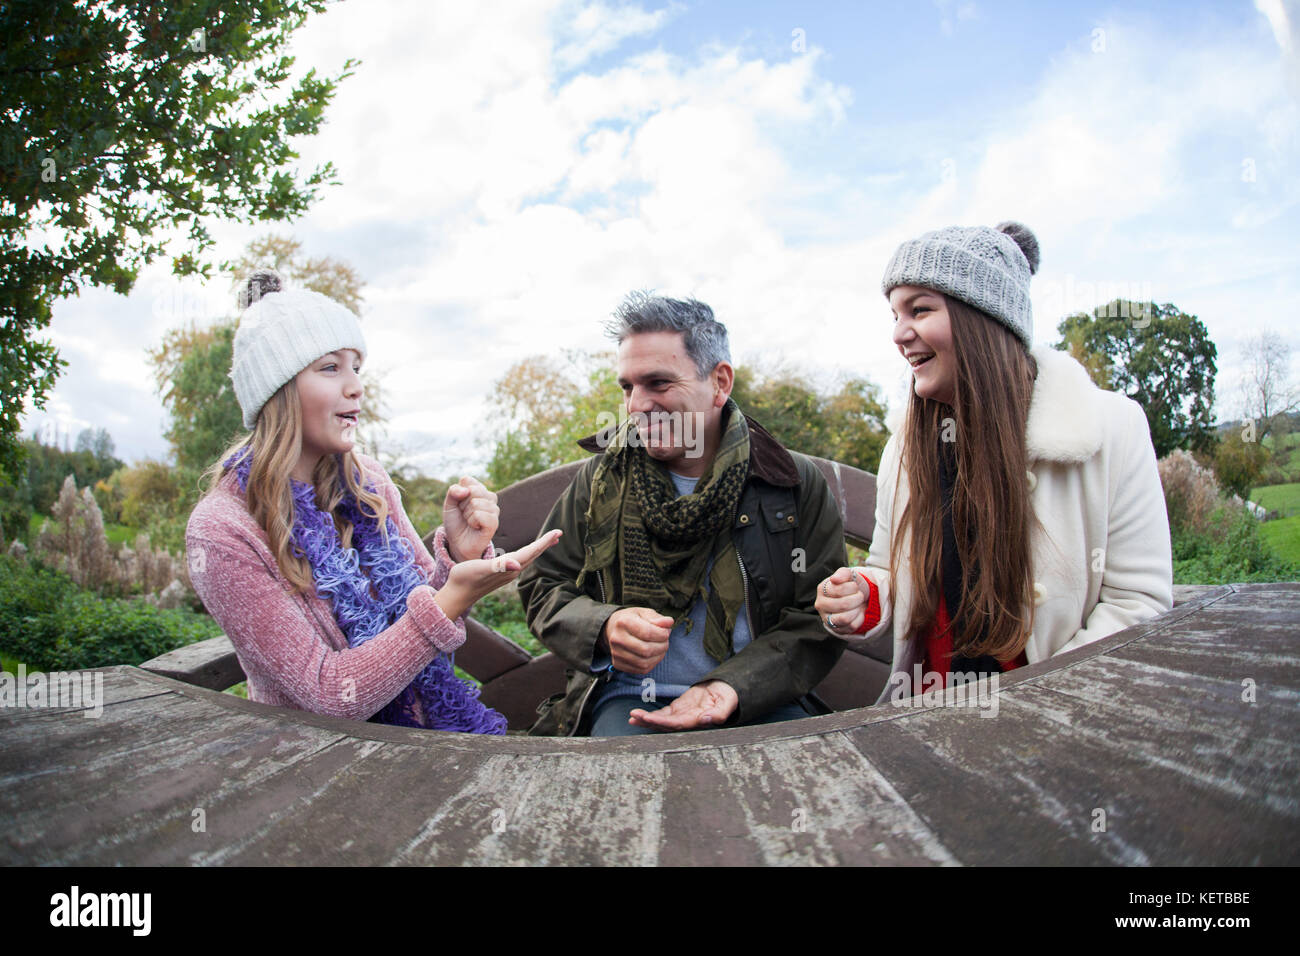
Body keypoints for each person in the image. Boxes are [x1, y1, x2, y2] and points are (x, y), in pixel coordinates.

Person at [186, 270, 559, 732]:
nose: (356, 386)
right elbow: (329, 697)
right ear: (276, 390)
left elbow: (425, 624)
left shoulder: (368, 482)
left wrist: (459, 556)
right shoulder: (223, 530)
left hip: (428, 737)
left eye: (356, 367)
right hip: (309, 763)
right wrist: (450, 599)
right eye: (330, 367)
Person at [816, 222, 1173, 698]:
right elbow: (888, 570)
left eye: (920, 310)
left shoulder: (1111, 428)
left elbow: (1137, 602)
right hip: (923, 719)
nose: (899, 334)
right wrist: (864, 595)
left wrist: (1039, 699)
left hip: (1056, 719)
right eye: (895, 315)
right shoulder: (905, 446)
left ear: (984, 318)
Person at [518, 292, 848, 736]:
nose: (636, 405)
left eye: (658, 383)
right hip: (629, 702)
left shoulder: (791, 481)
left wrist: (732, 688)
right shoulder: (600, 481)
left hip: (756, 699)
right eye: (628, 387)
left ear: (720, 383)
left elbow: (818, 615)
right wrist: (602, 626)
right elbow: (542, 584)